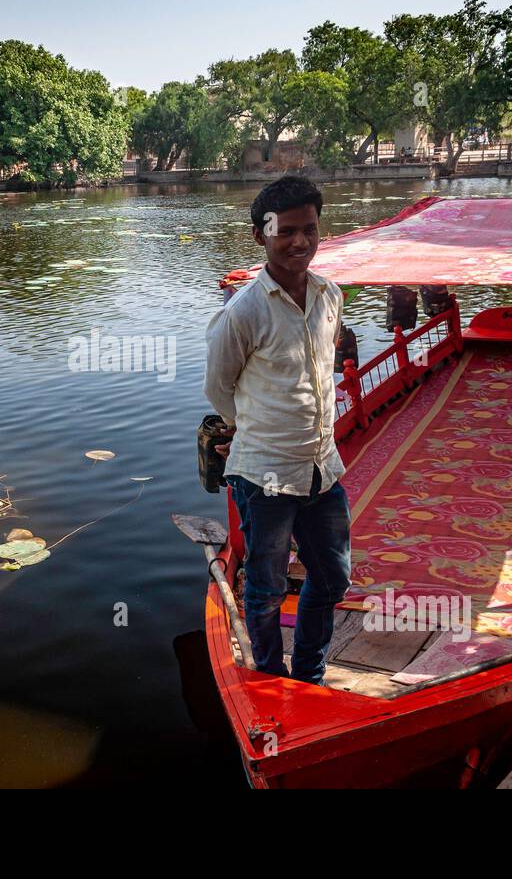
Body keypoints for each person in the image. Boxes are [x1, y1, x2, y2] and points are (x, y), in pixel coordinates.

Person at [203, 176, 352, 685]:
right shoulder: (242, 312)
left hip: (322, 469)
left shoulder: (330, 294)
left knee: (332, 578)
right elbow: (219, 389)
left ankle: (308, 672)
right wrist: (254, 430)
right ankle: (269, 675)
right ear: (259, 236)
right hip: (264, 476)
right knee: (265, 591)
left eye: (309, 230)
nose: (300, 242)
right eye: (286, 231)